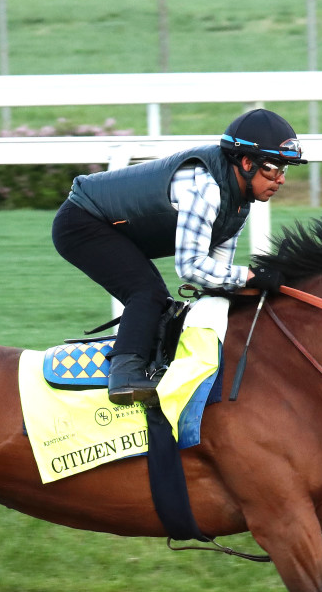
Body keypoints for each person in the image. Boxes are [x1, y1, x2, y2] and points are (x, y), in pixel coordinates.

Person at [52, 108, 306, 405]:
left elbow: (216, 276)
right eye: (273, 168)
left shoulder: (239, 204)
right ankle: (125, 377)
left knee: (160, 300)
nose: (280, 180)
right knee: (147, 293)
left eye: (284, 170)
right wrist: (251, 275)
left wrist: (256, 286)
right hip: (81, 221)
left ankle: (151, 367)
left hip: (109, 225)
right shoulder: (207, 188)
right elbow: (191, 266)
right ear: (247, 163)